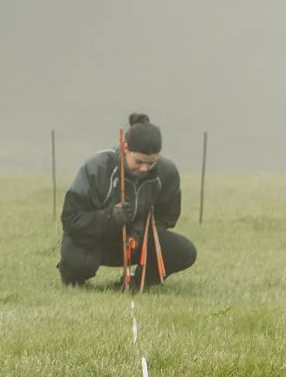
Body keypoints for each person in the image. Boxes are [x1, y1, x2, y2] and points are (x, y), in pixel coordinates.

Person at [59, 113, 197, 287]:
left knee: (185, 252)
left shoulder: (167, 172)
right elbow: (71, 220)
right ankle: (74, 278)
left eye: (151, 163)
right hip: (96, 239)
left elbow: (167, 217)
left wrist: (137, 233)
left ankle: (139, 281)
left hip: (137, 242)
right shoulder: (96, 168)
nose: (145, 168)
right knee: (77, 262)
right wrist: (110, 217)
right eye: (138, 161)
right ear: (125, 148)